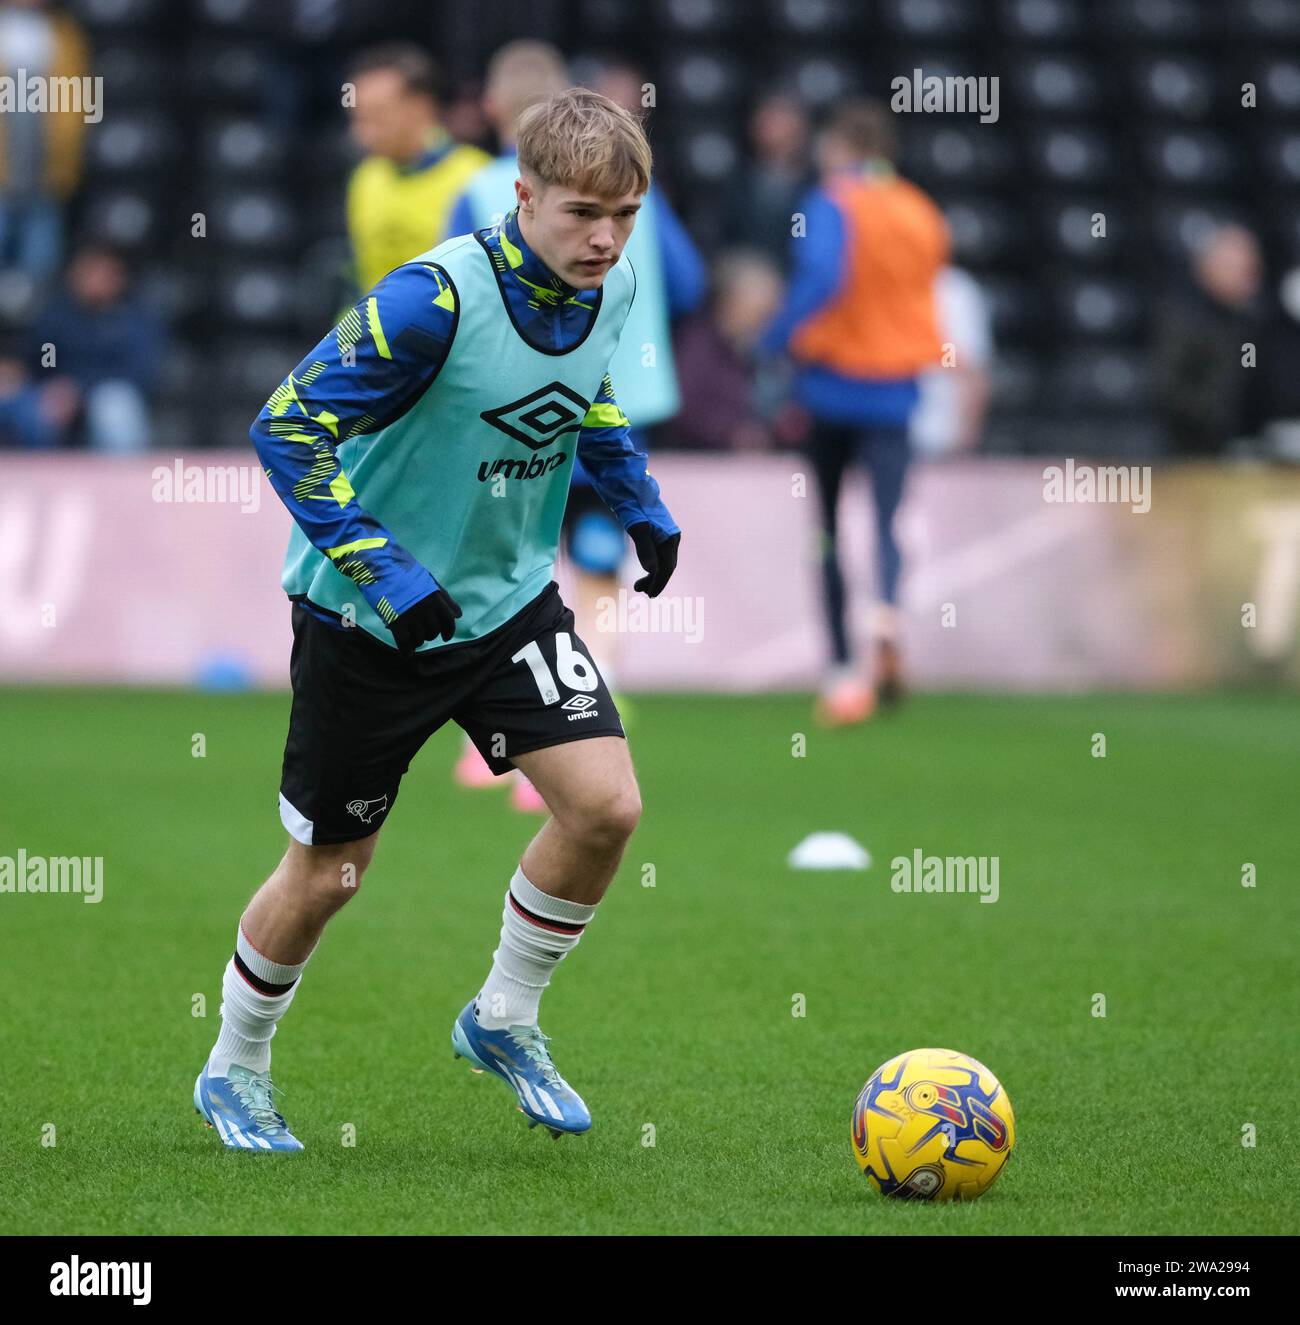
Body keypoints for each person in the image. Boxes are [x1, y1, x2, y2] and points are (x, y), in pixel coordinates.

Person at [194, 89, 680, 1151]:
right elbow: (284, 426)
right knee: (329, 873)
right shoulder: (432, 301)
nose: (604, 237)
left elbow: (584, 393)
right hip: (370, 623)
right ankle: (234, 1064)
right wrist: (384, 569)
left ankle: (502, 1016)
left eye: (625, 214)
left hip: (505, 603)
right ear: (524, 196)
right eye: (582, 213)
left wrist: (635, 498)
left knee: (605, 807)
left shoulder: (614, 281)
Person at [449, 47, 704, 805]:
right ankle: (595, 714)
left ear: (494, 109)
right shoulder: (635, 194)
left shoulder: (482, 189)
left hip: (520, 414)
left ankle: (503, 739)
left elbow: (457, 288)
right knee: (598, 569)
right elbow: (690, 282)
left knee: (510, 563)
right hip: (624, 402)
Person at [760, 99, 948, 721]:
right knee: (890, 522)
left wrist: (775, 336)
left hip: (834, 386)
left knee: (828, 529)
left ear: (842, 147)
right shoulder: (921, 210)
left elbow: (823, 277)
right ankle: (888, 616)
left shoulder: (833, 201)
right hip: (897, 388)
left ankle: (843, 672)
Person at [344, 43, 490, 295]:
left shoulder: (477, 177)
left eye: (377, 116)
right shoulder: (365, 178)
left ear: (420, 106)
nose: (362, 133)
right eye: (358, 118)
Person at [27, 241, 161, 451]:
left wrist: (80, 388)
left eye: (102, 273)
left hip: (106, 394)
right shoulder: (56, 315)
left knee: (115, 405)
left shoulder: (135, 319)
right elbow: (41, 360)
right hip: (58, 395)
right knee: (27, 406)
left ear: (118, 278)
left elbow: (139, 372)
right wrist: (54, 386)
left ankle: (125, 479)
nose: (94, 280)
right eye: (88, 272)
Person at [1151, 224, 1266, 456]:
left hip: (1256, 446)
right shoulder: (1182, 320)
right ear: (1203, 269)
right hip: (1191, 449)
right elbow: (1168, 391)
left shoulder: (1259, 322)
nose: (1242, 278)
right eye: (1230, 267)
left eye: (1249, 270)